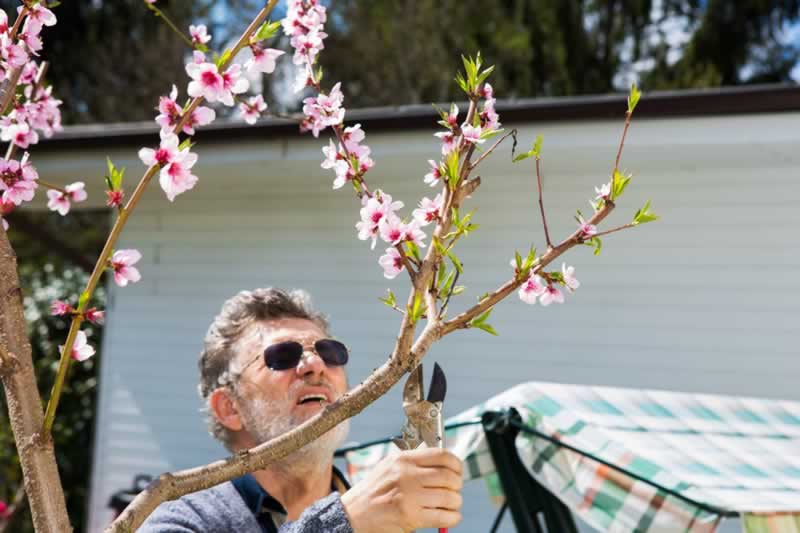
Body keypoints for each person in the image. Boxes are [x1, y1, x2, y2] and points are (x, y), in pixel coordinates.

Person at [140, 287, 464, 532]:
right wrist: (343, 521)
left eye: (330, 351)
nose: (315, 365)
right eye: (282, 356)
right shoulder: (183, 520)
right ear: (230, 408)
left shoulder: (386, 518)